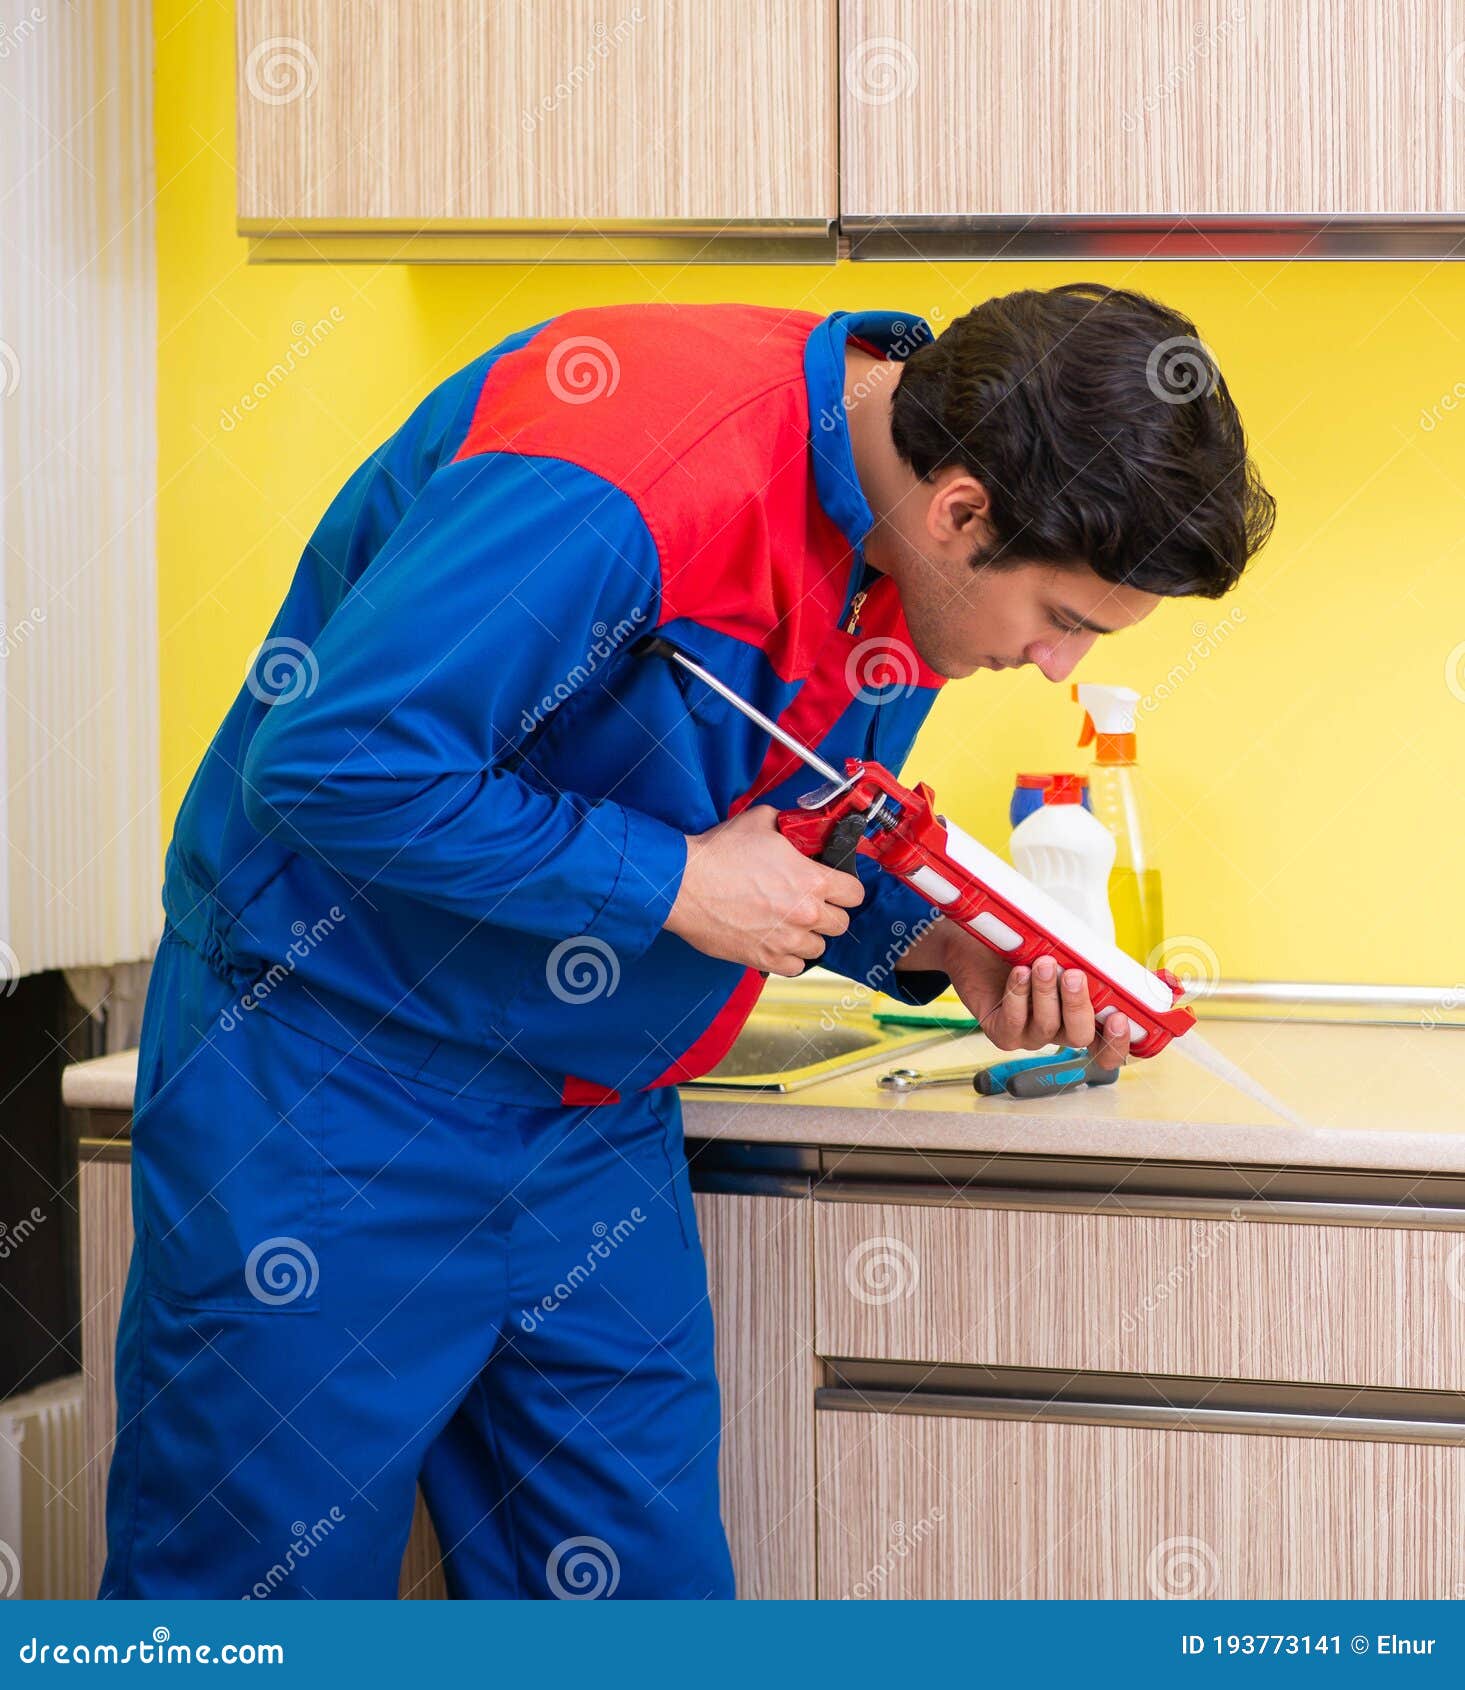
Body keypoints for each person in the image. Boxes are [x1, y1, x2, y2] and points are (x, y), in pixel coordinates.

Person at [101, 284, 1274, 1599]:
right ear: (961, 514)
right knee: (257, 1608)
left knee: (643, 1611)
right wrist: (669, 882)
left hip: (594, 1117)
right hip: (332, 1088)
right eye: (1066, 622)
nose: (1056, 667)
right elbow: (336, 764)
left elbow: (786, 806)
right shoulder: (617, 474)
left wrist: (944, 940)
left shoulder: (913, 537)